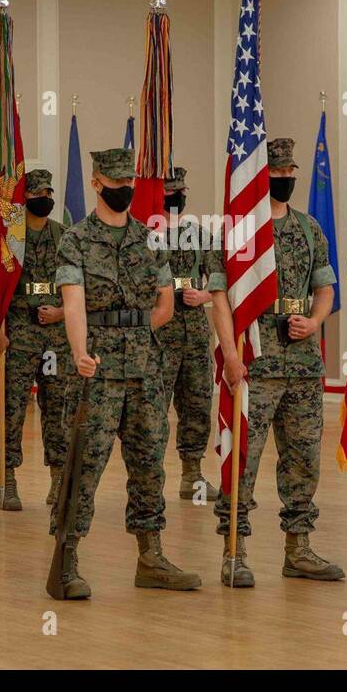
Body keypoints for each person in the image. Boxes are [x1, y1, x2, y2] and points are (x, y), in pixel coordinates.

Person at [50, 147, 201, 599]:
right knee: (84, 465)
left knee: (149, 464)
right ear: (97, 185)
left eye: (129, 187)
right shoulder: (75, 240)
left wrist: (132, 329)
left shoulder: (150, 238)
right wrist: (81, 351)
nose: (124, 194)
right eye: (116, 187)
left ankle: (151, 556)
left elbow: (166, 305)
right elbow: (73, 305)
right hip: (95, 369)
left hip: (146, 369)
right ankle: (67, 558)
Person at [208, 137, 343, 587]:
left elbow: (326, 286)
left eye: (290, 174)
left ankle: (298, 548)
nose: (285, 180)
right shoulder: (239, 232)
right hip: (255, 363)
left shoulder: (310, 229)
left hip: (303, 366)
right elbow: (220, 295)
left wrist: (315, 321)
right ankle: (235, 549)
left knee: (304, 459)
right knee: (243, 459)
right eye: (277, 174)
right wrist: (229, 353)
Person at [0, 169, 72, 510]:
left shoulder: (64, 237)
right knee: (12, 409)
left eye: (49, 191)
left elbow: (79, 288)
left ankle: (59, 479)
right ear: (25, 198)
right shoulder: (9, 239)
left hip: (57, 339)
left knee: (57, 409)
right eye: (37, 193)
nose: (45, 197)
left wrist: (61, 314)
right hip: (18, 336)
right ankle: (8, 480)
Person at [157, 167, 219, 501]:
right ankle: (150, 478)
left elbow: (221, 277)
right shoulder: (148, 233)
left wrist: (206, 295)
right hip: (160, 334)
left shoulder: (199, 233)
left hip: (194, 331)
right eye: (171, 191)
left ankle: (192, 476)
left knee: (197, 404)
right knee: (154, 408)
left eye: (181, 189)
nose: (177, 195)